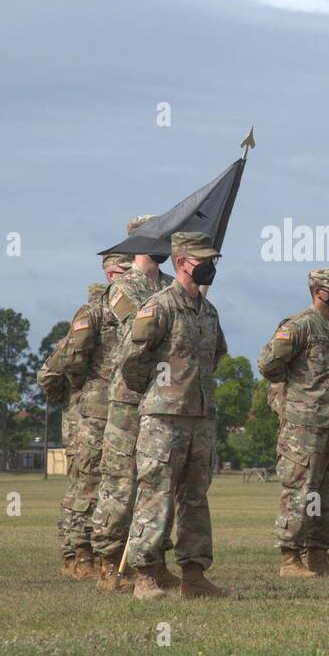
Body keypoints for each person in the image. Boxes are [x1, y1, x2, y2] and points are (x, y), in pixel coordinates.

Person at [119, 232, 228, 600]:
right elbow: (133, 362)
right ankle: (146, 575)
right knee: (156, 495)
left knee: (196, 498)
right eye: (203, 260)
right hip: (163, 419)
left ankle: (194, 577)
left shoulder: (208, 311)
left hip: (200, 417)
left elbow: (217, 355)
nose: (210, 267)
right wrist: (158, 395)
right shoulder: (159, 307)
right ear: (182, 262)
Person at [91, 218, 179, 592]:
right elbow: (143, 327)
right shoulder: (122, 289)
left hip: (163, 399)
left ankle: (153, 560)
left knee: (158, 482)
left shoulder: (172, 286)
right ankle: (109, 561)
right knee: (120, 482)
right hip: (129, 398)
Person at [257, 268, 329, 579]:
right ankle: (290, 557)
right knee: (301, 490)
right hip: (304, 426)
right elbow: (269, 364)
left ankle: (317, 553)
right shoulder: (299, 325)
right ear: (316, 290)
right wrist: (297, 394)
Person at [42, 251, 131, 579]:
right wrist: (78, 395)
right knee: (86, 483)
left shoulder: (133, 314)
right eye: (125, 272)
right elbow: (64, 364)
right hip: (92, 415)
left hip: (123, 412)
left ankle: (109, 551)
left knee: (117, 485)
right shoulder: (93, 313)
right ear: (111, 276)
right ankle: (80, 554)